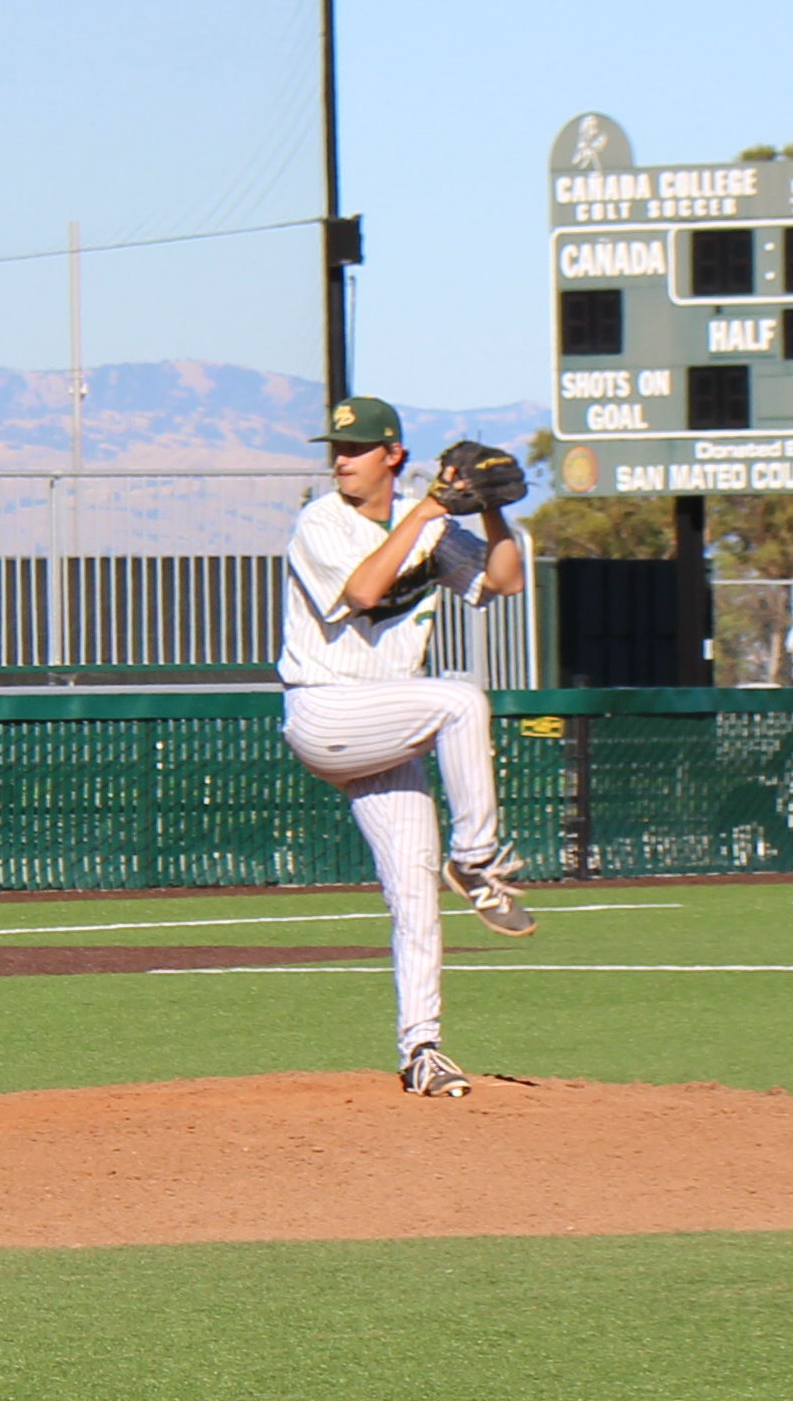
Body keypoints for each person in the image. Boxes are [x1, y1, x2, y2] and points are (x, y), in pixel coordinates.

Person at [277, 396, 531, 1098]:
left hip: (386, 725)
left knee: (415, 889)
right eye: (336, 446)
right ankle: (478, 859)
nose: (340, 459)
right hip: (326, 711)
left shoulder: (433, 531)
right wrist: (427, 512)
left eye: (355, 448)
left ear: (394, 455)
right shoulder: (321, 522)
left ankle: (422, 1048)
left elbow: (504, 581)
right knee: (459, 699)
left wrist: (488, 511)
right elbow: (362, 590)